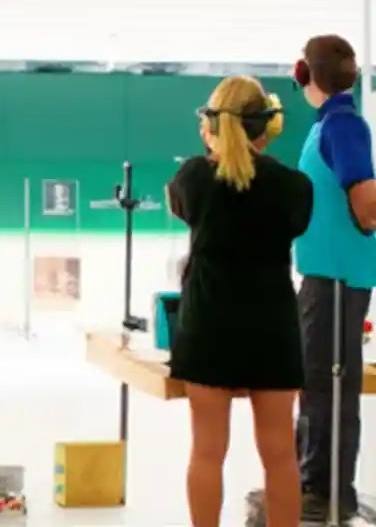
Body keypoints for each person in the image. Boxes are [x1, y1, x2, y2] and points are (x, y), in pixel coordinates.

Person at [167, 75, 312, 527]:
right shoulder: (293, 185)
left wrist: (212, 147)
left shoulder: (193, 177)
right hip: (271, 328)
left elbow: (182, 207)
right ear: (265, 128)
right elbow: (295, 224)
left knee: (207, 453)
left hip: (209, 325)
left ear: (211, 123)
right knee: (280, 457)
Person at [290, 34, 376, 522]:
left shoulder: (343, 126)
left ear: (305, 73)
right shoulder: (332, 124)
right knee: (321, 382)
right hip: (330, 274)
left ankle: (325, 492)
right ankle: (319, 485)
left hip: (337, 277)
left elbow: (366, 203)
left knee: (327, 384)